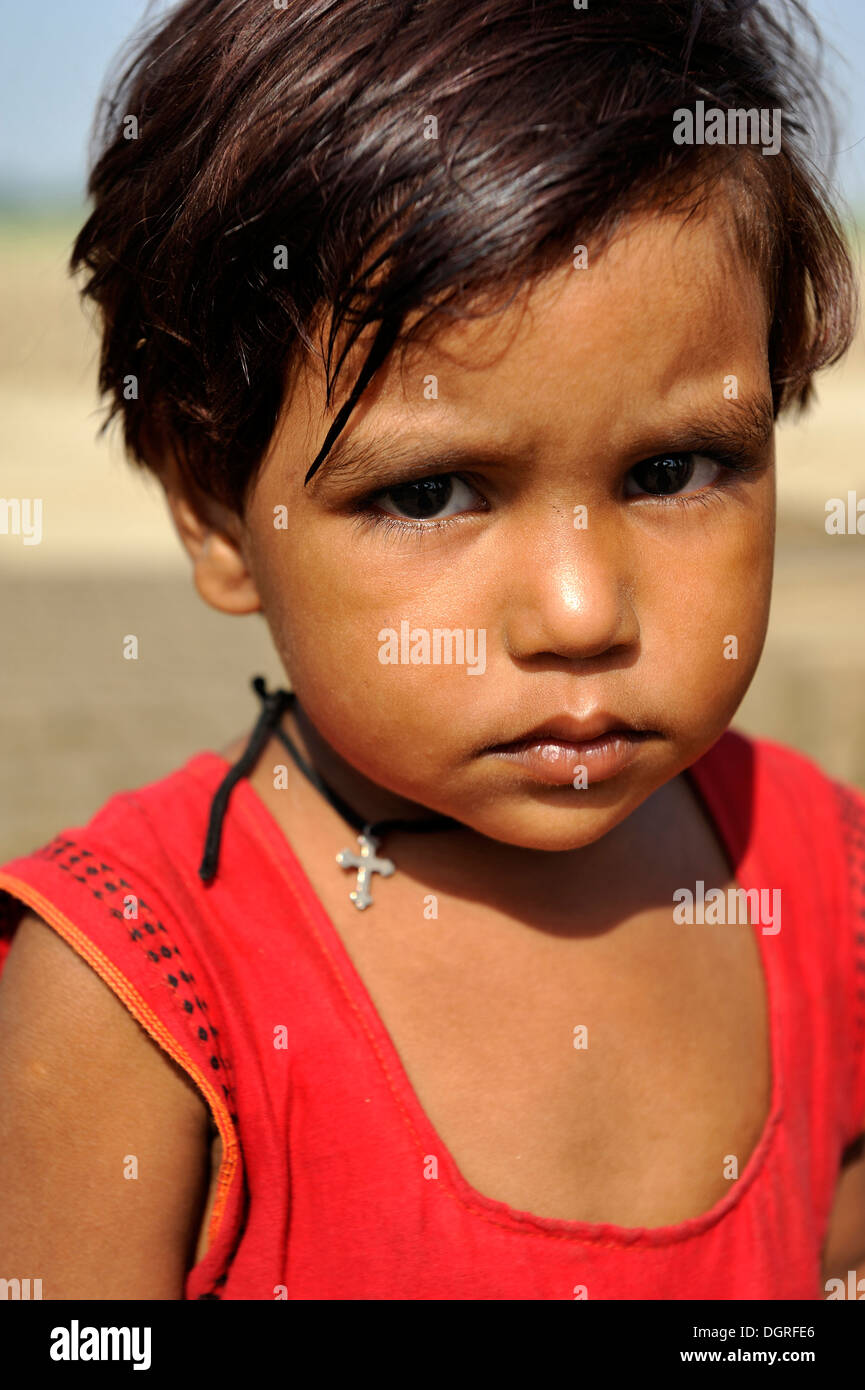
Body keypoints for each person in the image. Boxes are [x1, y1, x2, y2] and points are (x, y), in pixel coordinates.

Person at [1, 0, 863, 1300]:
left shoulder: (819, 884)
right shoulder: (137, 994)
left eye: (674, 469)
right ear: (216, 512)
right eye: (429, 494)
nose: (580, 613)